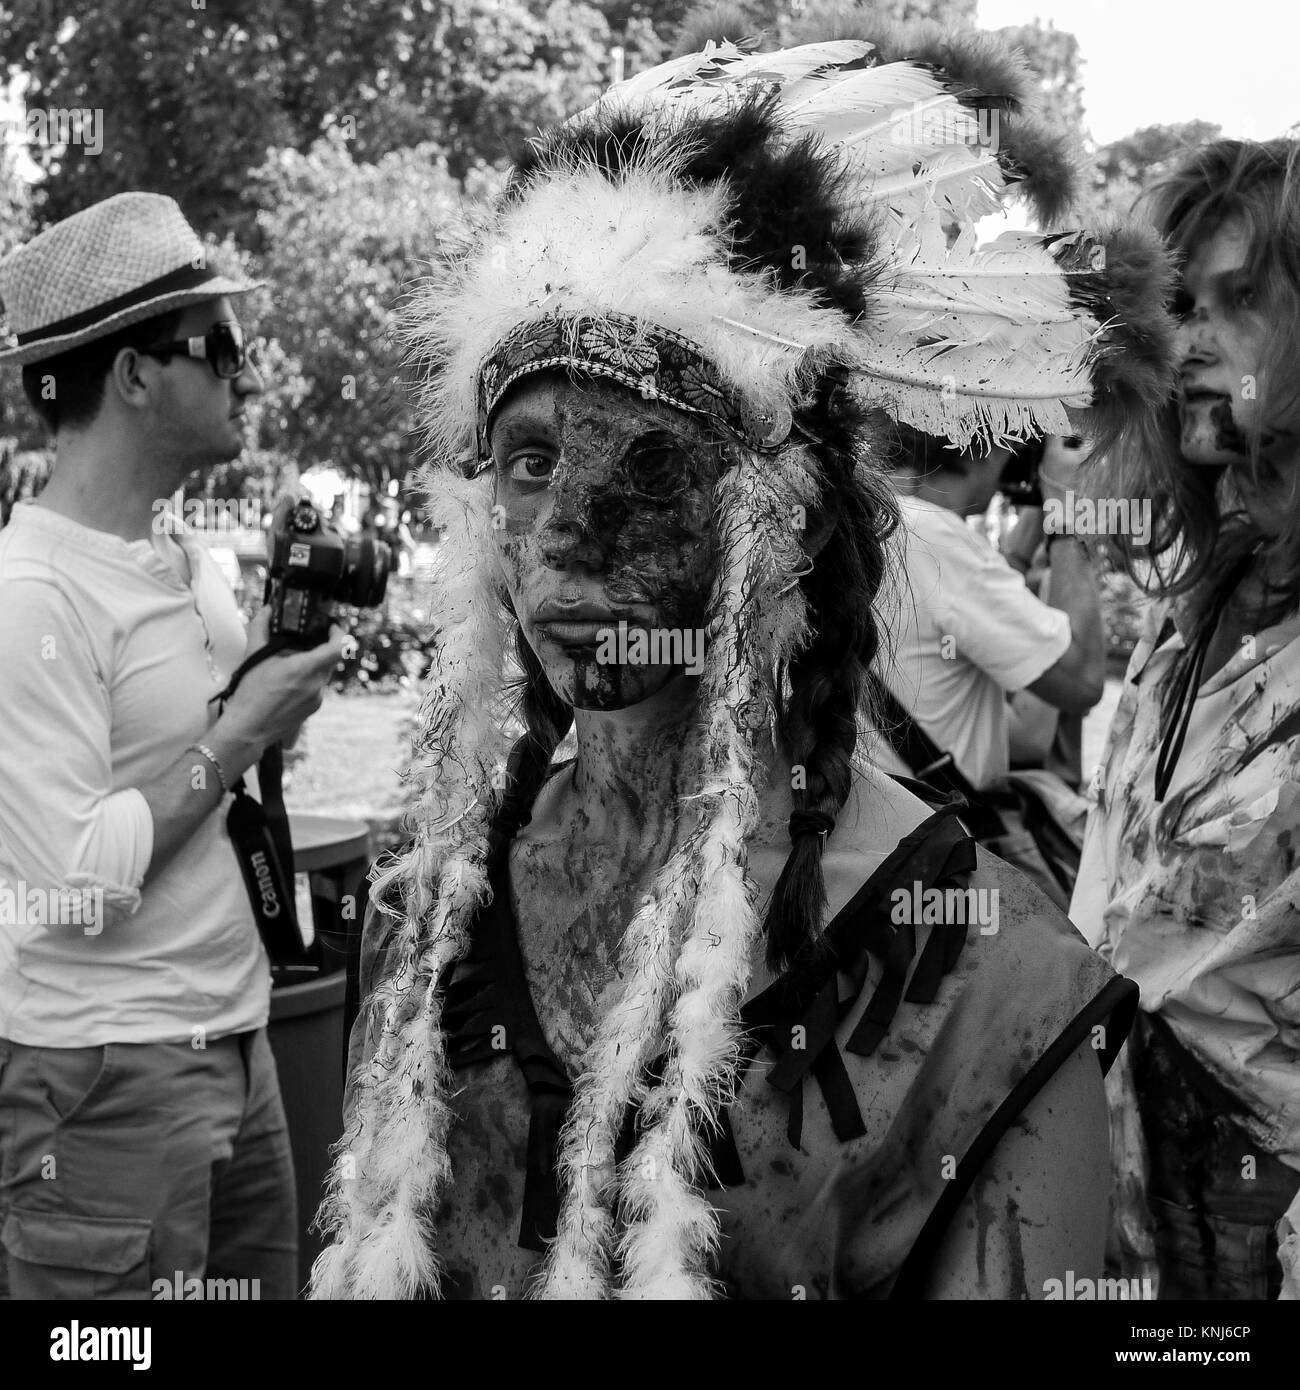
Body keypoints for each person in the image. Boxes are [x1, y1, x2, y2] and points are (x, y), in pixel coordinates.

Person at [311, 31, 1175, 1301]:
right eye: (530, 460)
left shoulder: (990, 981)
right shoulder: (426, 918)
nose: (562, 543)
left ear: (792, 519)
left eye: (649, 462)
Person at [0, 193, 344, 1299]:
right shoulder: (30, 596)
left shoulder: (188, 563)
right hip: (103, 1080)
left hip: (233, 1047)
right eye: (221, 345)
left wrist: (270, 689)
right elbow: (78, 881)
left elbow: (212, 771)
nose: (248, 371)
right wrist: (245, 727)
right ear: (137, 377)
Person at [1071, 137, 1300, 1300]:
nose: (1196, 343)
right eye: (1183, 308)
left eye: (1242, 303)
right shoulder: (1178, 623)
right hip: (1117, 1252)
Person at [879, 426, 1106, 793]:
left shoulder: (883, 521)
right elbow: (1081, 680)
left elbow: (973, 614)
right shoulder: (938, 541)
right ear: (993, 446)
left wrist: (1028, 536)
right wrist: (1067, 517)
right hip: (922, 830)